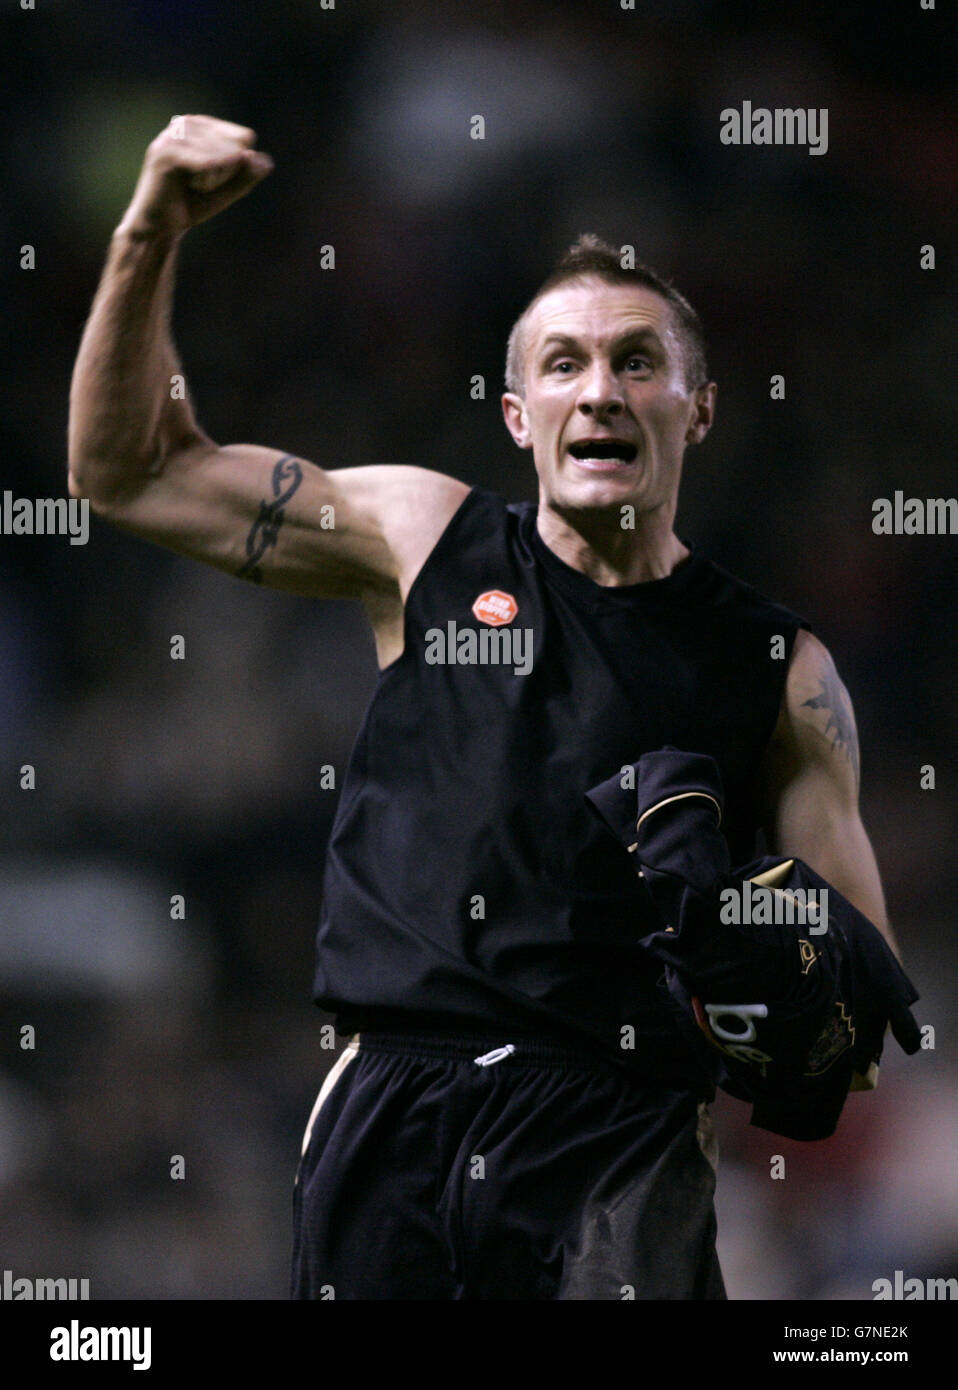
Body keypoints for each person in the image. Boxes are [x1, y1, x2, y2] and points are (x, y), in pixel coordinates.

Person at [68, 115, 898, 1300]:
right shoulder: (424, 540)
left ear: (698, 408)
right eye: (561, 363)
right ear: (519, 416)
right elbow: (126, 473)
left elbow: (854, 1039)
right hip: (390, 1122)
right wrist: (148, 226)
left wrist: (740, 951)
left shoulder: (780, 670)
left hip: (620, 1151)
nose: (598, 389)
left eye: (636, 361)